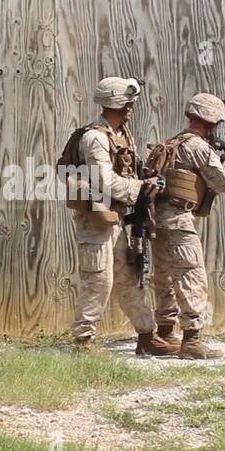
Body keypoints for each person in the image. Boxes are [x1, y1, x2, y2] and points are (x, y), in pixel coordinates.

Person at [64, 77, 169, 354]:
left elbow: (126, 171)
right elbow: (104, 181)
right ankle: (83, 342)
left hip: (117, 217)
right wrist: (140, 188)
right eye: (127, 102)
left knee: (128, 278)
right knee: (98, 280)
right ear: (114, 102)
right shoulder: (95, 138)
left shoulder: (121, 134)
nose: (132, 107)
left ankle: (147, 335)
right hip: (96, 220)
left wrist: (145, 178)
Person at [149, 94, 225, 360]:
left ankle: (165, 334)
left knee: (164, 277)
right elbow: (222, 183)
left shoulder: (170, 143)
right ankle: (192, 341)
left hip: (158, 221)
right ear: (211, 122)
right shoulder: (197, 147)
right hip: (179, 221)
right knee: (191, 275)